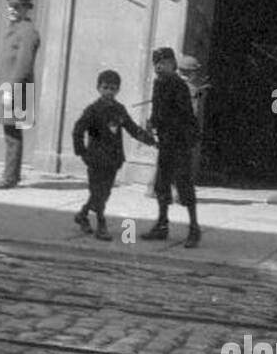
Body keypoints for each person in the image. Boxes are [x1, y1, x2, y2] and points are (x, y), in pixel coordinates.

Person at [72, 69, 154, 241]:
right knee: (98, 192)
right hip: (95, 158)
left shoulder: (119, 110)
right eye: (106, 87)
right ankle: (101, 226)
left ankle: (83, 215)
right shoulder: (93, 110)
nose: (109, 91)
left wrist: (150, 140)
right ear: (98, 88)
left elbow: (132, 128)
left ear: (118, 90)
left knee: (104, 193)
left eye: (113, 88)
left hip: (113, 160)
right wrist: (82, 152)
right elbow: (78, 130)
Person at [143, 47, 202, 247]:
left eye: (164, 62)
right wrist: (151, 124)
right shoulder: (159, 84)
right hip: (166, 142)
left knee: (184, 185)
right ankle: (162, 224)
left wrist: (166, 125)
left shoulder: (178, 85)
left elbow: (185, 116)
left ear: (173, 65)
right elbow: (157, 108)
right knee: (162, 184)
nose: (159, 66)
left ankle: (194, 229)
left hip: (180, 142)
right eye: (156, 63)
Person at [0, 0, 41, 190]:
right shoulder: (15, 29)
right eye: (11, 6)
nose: (12, 10)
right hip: (10, 86)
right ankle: (12, 174)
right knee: (10, 131)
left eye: (17, 7)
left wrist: (11, 89)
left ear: (26, 9)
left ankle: (9, 177)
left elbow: (24, 63)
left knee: (12, 134)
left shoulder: (27, 32)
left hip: (16, 88)